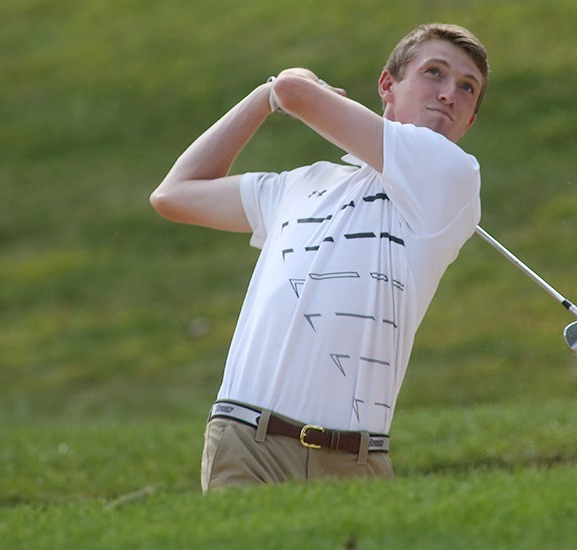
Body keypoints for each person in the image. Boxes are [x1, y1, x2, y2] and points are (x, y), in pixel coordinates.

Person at [150, 23, 489, 490]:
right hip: (247, 442)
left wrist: (286, 86)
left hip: (355, 459)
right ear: (387, 85)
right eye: (435, 72)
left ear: (469, 122)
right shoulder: (301, 184)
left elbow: (294, 92)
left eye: (467, 88)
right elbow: (174, 194)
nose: (450, 93)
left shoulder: (452, 174)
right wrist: (262, 97)